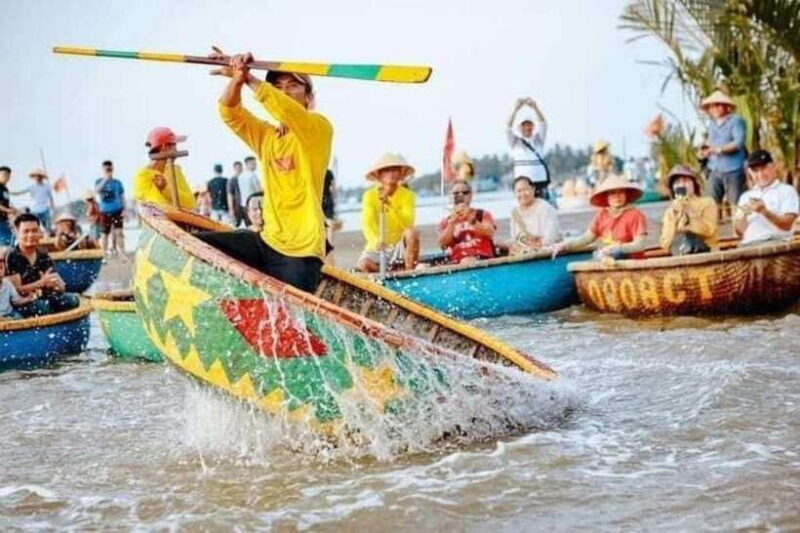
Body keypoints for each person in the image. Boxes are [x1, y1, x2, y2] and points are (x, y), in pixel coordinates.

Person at [195, 48, 333, 293]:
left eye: (293, 86)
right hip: (267, 240)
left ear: (308, 97)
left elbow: (287, 111)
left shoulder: (318, 129)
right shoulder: (267, 136)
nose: (285, 92)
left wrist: (249, 77)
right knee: (195, 245)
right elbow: (230, 113)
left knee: (294, 317)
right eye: (278, 87)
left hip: (301, 250)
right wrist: (237, 80)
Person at [553, 174, 647, 259]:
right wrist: (565, 245)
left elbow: (640, 244)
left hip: (629, 260)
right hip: (607, 257)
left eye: (621, 192)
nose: (617, 197)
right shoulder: (602, 214)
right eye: (613, 193)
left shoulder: (635, 214)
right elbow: (586, 238)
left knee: (614, 253)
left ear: (626, 194)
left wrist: (618, 248)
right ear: (607, 197)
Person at [5, 213, 79, 317]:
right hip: (22, 302)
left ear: (40, 232)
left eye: (34, 231)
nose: (31, 235)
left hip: (43, 296)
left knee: (73, 300)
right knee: (43, 307)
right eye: (26, 231)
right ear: (17, 233)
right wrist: (41, 283)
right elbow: (16, 291)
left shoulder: (43, 256)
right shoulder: (12, 256)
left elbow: (56, 283)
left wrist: (60, 286)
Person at [358, 153, 420, 272]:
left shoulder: (408, 195)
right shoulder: (369, 196)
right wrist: (376, 241)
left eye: (395, 170)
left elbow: (408, 223)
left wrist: (390, 204)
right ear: (379, 175)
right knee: (364, 264)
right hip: (378, 245)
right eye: (386, 170)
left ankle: (408, 272)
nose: (391, 173)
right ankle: (391, 273)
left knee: (412, 233)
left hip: (399, 246)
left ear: (400, 173)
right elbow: (367, 224)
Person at [697, 90, 747, 217]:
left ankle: (738, 233)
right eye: (712, 106)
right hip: (715, 168)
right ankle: (713, 234)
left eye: (718, 105)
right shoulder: (712, 124)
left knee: (736, 203)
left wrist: (718, 149)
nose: (715, 108)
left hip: (733, 168)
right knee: (712, 204)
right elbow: (710, 142)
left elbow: (738, 142)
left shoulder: (736, 121)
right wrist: (704, 152)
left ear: (726, 106)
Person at [735, 150, 799, 246]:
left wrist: (764, 212)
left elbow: (787, 225)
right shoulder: (745, 196)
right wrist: (744, 214)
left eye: (764, 168)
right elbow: (739, 232)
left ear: (773, 167)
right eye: (755, 171)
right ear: (749, 172)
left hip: (776, 244)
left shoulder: (787, 191)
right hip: (749, 246)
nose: (760, 174)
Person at [659, 165, 718, 255]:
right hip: (680, 254)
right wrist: (675, 218)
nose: (682, 185)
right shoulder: (670, 211)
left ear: (694, 184)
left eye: (686, 181)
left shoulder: (707, 202)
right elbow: (665, 243)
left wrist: (689, 210)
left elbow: (709, 231)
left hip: (706, 252)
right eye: (677, 182)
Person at [133, 127, 196, 210]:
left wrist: (165, 189)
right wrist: (162, 190)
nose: (176, 150)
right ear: (164, 147)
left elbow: (191, 203)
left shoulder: (175, 170)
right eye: (174, 145)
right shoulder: (142, 176)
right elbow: (157, 208)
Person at [438, 180, 497, 264]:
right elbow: (442, 245)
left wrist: (471, 219)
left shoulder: (482, 214)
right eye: (456, 193)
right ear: (451, 196)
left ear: (471, 195)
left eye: (465, 192)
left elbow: (490, 232)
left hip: (482, 257)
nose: (460, 195)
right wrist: (452, 223)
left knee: (468, 261)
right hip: (458, 261)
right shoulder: (446, 221)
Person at [507, 97, 549, 199]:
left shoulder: (538, 140)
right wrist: (515, 109)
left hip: (540, 181)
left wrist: (535, 107)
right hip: (522, 183)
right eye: (524, 125)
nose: (527, 128)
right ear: (519, 128)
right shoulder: (515, 142)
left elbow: (543, 124)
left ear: (533, 127)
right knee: (525, 210)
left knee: (542, 209)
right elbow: (507, 127)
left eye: (529, 125)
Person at [508, 176, 561, 255]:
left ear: (533, 189)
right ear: (514, 193)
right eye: (519, 191)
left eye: (525, 190)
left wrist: (535, 244)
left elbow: (550, 238)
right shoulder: (515, 213)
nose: (522, 194)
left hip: (546, 252)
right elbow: (515, 239)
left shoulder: (545, 208)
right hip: (523, 253)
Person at [95, 160, 125, 256]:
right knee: (104, 234)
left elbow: (122, 196)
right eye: (106, 169)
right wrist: (106, 179)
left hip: (117, 210)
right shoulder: (99, 181)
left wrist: (124, 209)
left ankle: (122, 252)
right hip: (104, 211)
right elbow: (97, 190)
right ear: (103, 169)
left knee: (119, 233)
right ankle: (104, 253)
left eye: (110, 168)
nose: (108, 170)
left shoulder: (117, 182)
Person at [0, 255, 37, 320]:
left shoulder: (7, 283)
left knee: (19, 317)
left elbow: (16, 300)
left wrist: (27, 298)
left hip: (9, 313)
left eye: (1, 268)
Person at [0, 166, 18, 246]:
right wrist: (8, 210)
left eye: (8, 175)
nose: (6, 177)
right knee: (5, 241)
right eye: (4, 175)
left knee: (10, 240)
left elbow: (6, 204)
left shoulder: (5, 189)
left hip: (4, 219)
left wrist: (14, 209)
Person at [227, 161, 244, 227]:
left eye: (240, 167)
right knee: (236, 225)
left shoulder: (245, 178)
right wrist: (231, 209)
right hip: (236, 206)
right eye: (237, 167)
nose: (239, 169)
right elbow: (229, 195)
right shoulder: (232, 180)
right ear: (234, 168)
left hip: (245, 207)